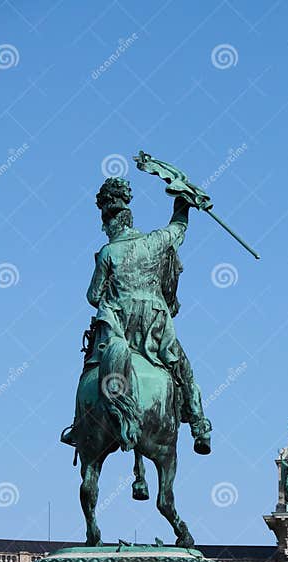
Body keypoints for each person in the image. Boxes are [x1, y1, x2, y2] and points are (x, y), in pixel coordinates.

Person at [61, 177, 211, 454]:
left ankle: (78, 424)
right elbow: (177, 229)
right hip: (154, 324)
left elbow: (93, 296)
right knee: (182, 367)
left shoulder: (108, 251)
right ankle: (199, 425)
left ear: (110, 225)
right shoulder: (154, 242)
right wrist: (183, 203)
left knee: (90, 367)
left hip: (118, 325)